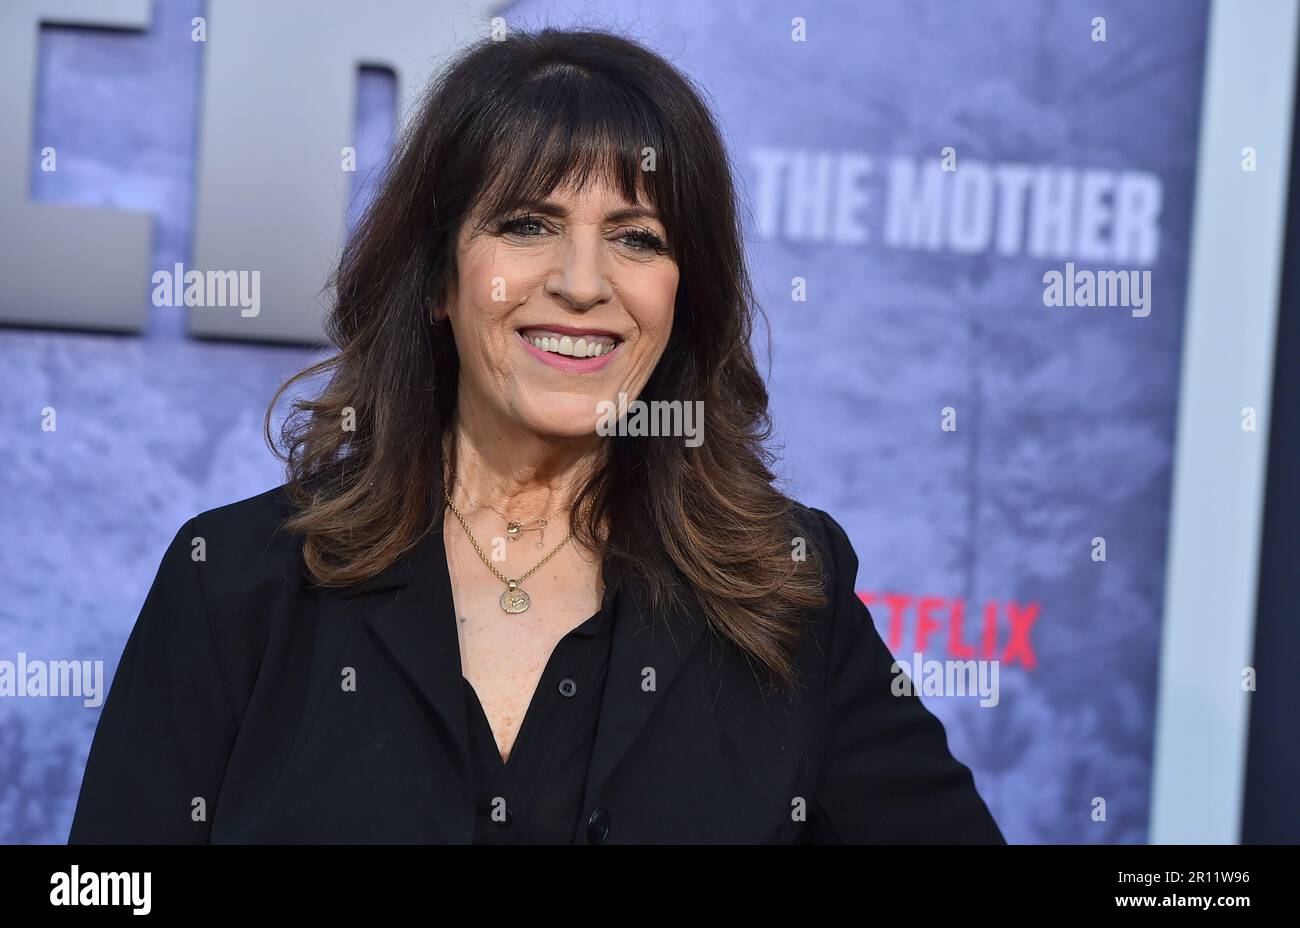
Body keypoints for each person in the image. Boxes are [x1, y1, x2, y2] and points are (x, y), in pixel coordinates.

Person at [68, 27, 1003, 844]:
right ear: (439, 280)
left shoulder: (790, 594)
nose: (583, 282)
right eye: (527, 224)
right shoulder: (233, 580)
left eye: (638, 237)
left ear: (686, 294)